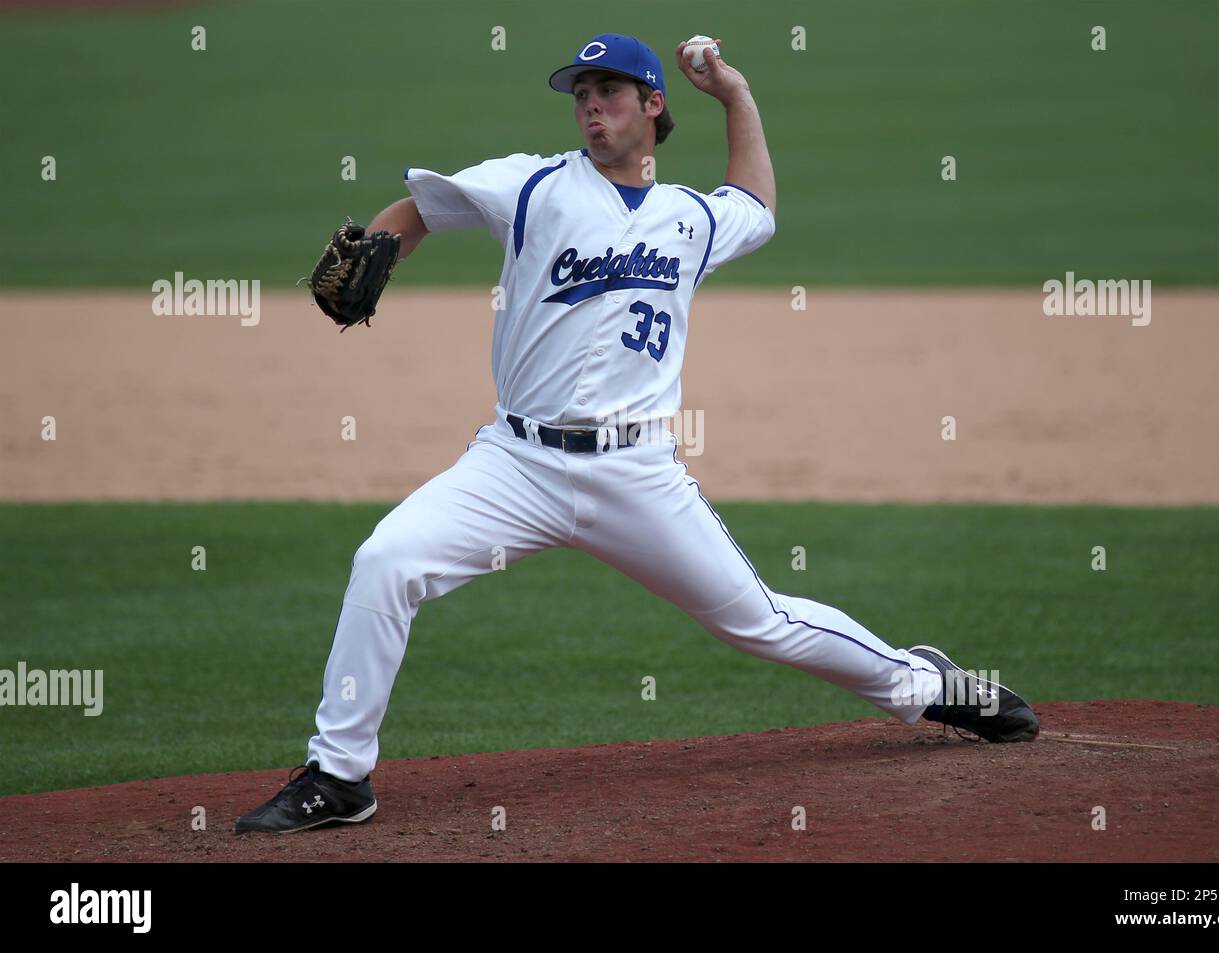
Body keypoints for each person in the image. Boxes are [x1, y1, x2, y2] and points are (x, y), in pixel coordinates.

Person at [235, 33, 1038, 835]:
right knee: (386, 561)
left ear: (654, 105)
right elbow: (419, 210)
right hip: (515, 465)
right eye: (582, 95)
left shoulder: (690, 217)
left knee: (759, 619)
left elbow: (755, 206)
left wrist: (736, 95)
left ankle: (927, 686)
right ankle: (339, 776)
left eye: (611, 92)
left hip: (638, 476)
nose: (592, 107)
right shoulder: (532, 184)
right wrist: (382, 251)